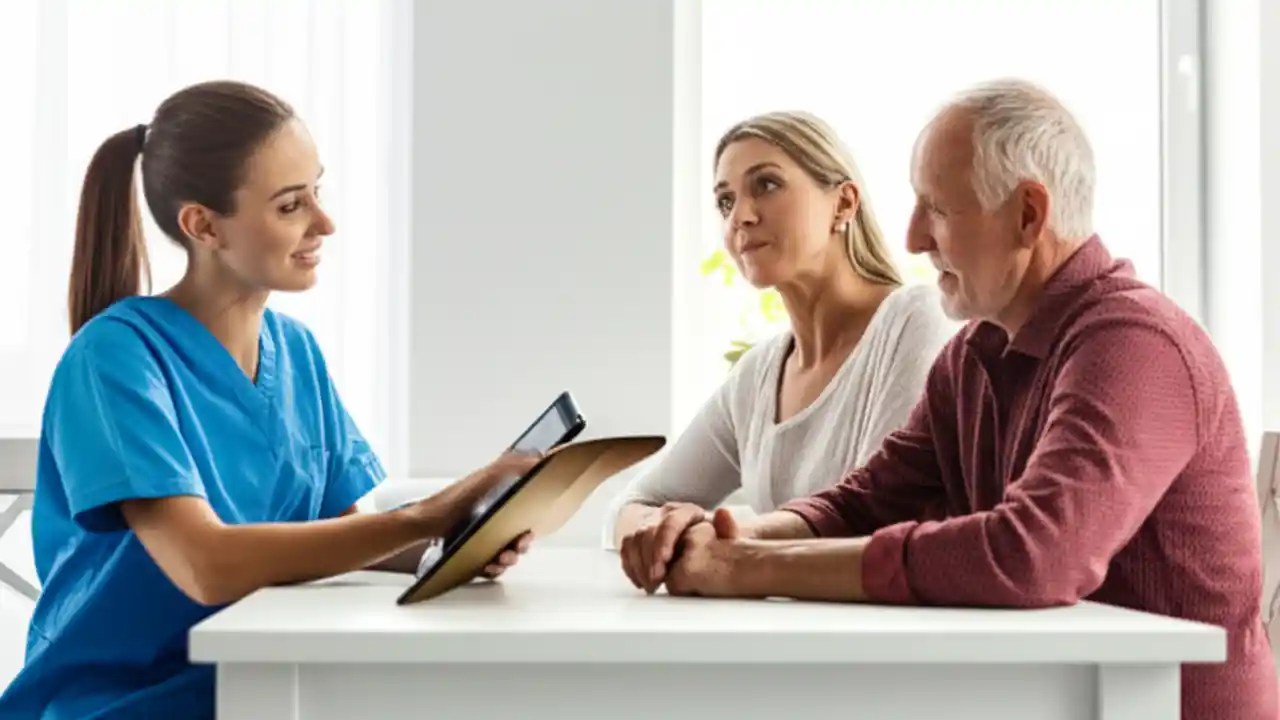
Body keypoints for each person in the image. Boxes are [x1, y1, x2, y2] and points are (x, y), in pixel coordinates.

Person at [621, 80, 1277, 717]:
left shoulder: (1134, 344)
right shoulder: (976, 351)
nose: (911, 237)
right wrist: (736, 534)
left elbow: (1033, 556)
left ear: (1028, 215)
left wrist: (753, 568)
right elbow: (871, 499)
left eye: (936, 208)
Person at [0, 80, 536, 719]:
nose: (324, 222)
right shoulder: (114, 359)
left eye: (318, 191)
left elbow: (337, 532)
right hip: (127, 706)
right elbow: (205, 565)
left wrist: (452, 542)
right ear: (202, 225)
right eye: (290, 206)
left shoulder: (297, 353)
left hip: (268, 688)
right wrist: (425, 517)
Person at [607, 111, 957, 589]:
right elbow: (630, 506)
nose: (740, 217)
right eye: (725, 201)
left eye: (766, 185)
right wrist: (669, 533)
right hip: (789, 640)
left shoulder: (915, 321)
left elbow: (883, 517)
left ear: (844, 203)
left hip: (893, 645)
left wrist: (723, 545)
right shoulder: (758, 375)